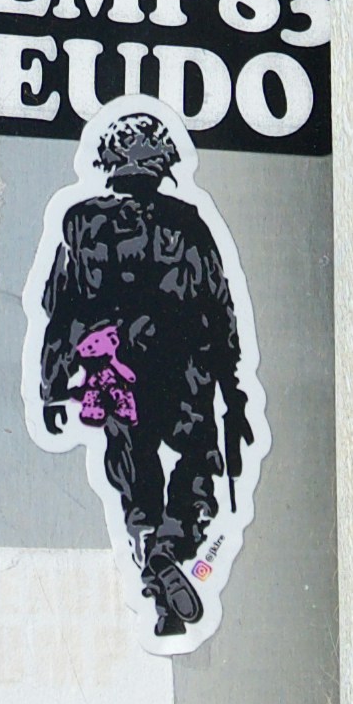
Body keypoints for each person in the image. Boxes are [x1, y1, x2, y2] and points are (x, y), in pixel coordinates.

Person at [32, 112, 253, 640]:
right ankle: (168, 553)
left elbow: (59, 309)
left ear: (108, 162)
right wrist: (233, 388)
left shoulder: (80, 223)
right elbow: (219, 308)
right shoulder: (188, 222)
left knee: (134, 478)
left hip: (115, 375)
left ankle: (151, 552)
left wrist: (51, 387)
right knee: (197, 465)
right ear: (163, 162)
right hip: (184, 372)